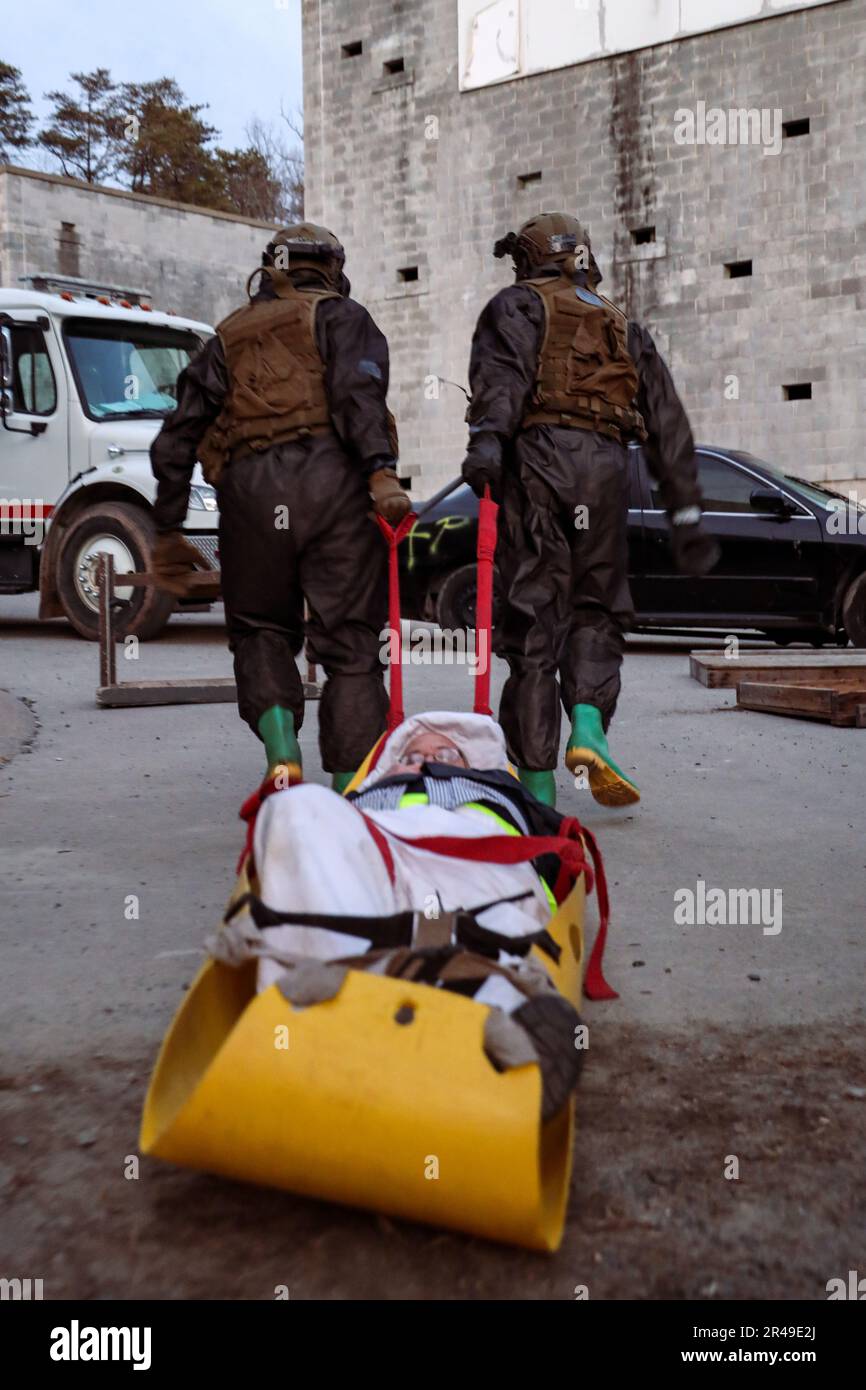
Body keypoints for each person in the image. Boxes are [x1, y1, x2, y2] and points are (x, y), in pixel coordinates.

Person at [223, 711, 603, 1121]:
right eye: (411, 754)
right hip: (379, 857)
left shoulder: (500, 792)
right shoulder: (355, 804)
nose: (425, 760)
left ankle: (502, 1023)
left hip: (475, 854)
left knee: (495, 925)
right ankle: (330, 989)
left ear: (474, 766)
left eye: (445, 753)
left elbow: (556, 851)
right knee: (294, 804)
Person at [461, 211, 719, 808]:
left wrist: (486, 448)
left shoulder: (517, 306)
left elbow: (501, 382)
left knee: (533, 622)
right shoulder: (621, 323)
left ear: (528, 258)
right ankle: (588, 730)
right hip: (605, 468)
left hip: (537, 464)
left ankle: (537, 789)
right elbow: (668, 424)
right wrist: (684, 511)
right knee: (597, 607)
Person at [149, 223, 409, 791]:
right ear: (332, 267)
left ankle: (282, 748)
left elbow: (176, 438)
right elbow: (356, 396)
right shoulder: (344, 316)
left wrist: (166, 527)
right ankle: (349, 789)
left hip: (249, 494)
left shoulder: (227, 335)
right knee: (350, 644)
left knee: (260, 628)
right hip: (333, 486)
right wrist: (381, 472)